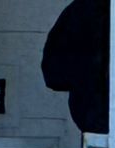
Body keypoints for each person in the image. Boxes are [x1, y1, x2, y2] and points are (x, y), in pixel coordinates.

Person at [41, 0, 109, 134]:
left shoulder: (78, 12)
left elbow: (52, 73)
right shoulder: (79, 12)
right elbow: (52, 73)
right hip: (96, 112)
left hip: (91, 113)